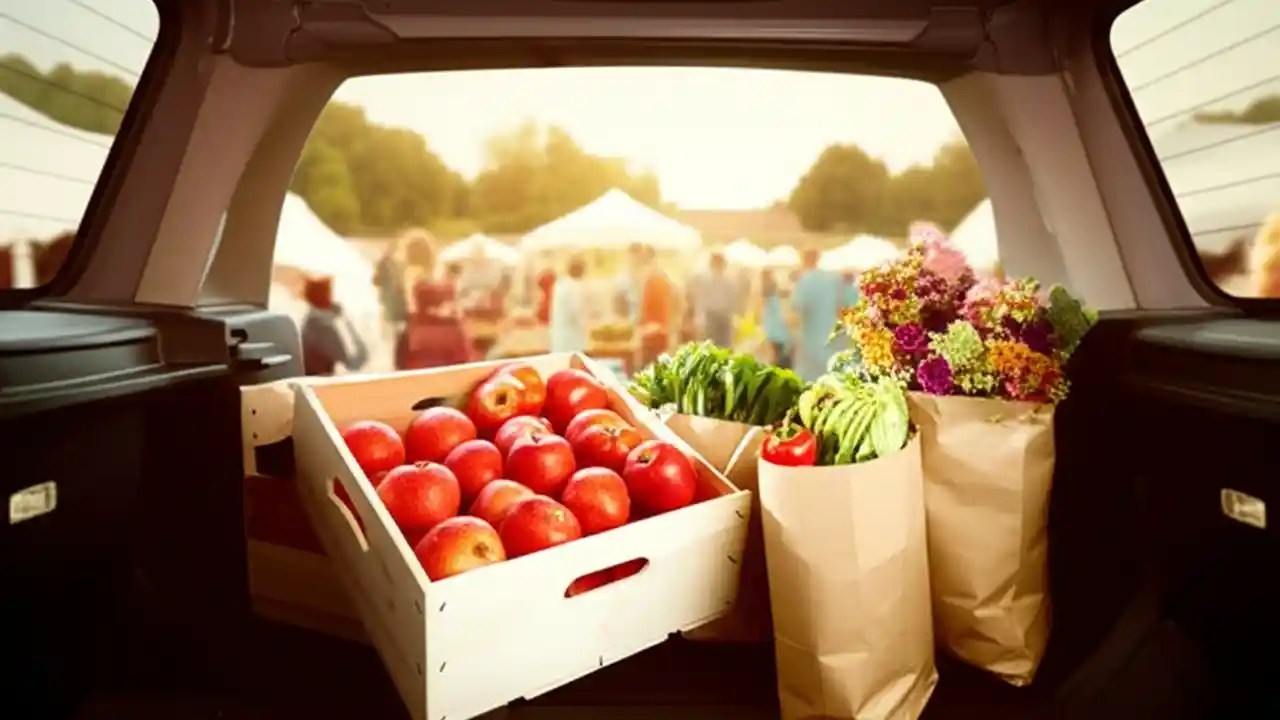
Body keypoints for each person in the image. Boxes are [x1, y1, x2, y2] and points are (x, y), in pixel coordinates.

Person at [396, 230, 473, 370]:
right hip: (453, 335)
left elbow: (412, 309)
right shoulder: (446, 277)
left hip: (425, 337)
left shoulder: (412, 276)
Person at [791, 248, 843, 381]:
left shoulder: (805, 280)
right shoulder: (830, 280)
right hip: (829, 333)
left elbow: (798, 308)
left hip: (810, 337)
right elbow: (840, 306)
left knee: (808, 378)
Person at [300, 275, 368, 376]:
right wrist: (347, 321)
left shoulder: (310, 321)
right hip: (319, 384)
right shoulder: (323, 328)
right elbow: (354, 363)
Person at [689, 251, 739, 348]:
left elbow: (731, 302)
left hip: (720, 317)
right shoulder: (707, 280)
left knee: (717, 346)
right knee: (716, 346)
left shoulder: (727, 281)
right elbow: (702, 300)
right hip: (714, 316)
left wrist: (699, 318)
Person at [638, 246, 675, 365]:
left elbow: (646, 305)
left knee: (653, 363)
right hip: (658, 328)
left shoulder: (654, 277)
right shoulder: (662, 275)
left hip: (654, 329)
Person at [550, 255, 589, 353]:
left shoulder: (560, 284)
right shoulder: (575, 287)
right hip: (571, 339)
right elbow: (575, 312)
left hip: (559, 337)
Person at [761, 269, 791, 368]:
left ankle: (774, 369)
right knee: (777, 353)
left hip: (773, 328)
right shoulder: (772, 297)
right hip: (776, 329)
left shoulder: (768, 296)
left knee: (775, 352)